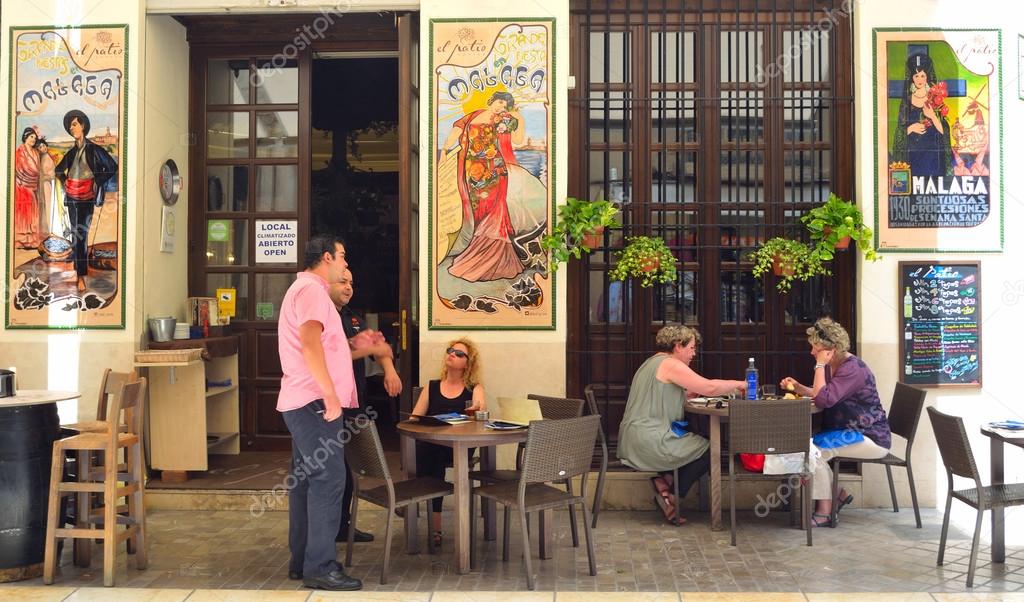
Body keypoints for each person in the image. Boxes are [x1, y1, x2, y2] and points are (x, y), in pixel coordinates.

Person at [277, 235, 375, 591]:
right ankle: (319, 566)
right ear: (328, 257)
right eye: (343, 258)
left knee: (306, 480)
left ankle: (302, 561)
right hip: (313, 402)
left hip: (304, 400)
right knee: (329, 479)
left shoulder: (304, 290)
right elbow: (309, 342)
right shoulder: (313, 291)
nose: (346, 265)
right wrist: (330, 393)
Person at [617, 324, 746, 525]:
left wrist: (684, 394)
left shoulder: (650, 363)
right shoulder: (671, 364)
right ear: (678, 346)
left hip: (634, 436)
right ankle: (673, 498)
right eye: (692, 348)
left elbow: (659, 394)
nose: (693, 353)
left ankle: (665, 482)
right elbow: (709, 387)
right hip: (651, 439)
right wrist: (740, 385)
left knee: (690, 438)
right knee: (709, 449)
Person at [780, 317, 892, 528]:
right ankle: (837, 494)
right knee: (811, 447)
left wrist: (819, 365)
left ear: (829, 349)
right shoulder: (837, 364)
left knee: (817, 451)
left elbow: (824, 399)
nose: (812, 353)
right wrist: (800, 387)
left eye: (815, 349)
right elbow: (824, 394)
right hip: (853, 432)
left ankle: (824, 512)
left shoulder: (852, 369)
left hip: (870, 437)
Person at [328, 268, 402, 544]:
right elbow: (334, 354)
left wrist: (389, 370)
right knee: (333, 469)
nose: (348, 287)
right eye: (342, 282)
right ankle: (328, 529)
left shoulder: (353, 317)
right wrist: (367, 348)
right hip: (326, 405)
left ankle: (342, 526)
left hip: (354, 402)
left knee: (347, 468)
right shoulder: (322, 317)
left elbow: (379, 344)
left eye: (351, 283)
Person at [439, 91, 525, 282]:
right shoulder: (473, 115)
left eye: (505, 106)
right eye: (500, 102)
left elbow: (518, 140)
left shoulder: (502, 119)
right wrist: (444, 150)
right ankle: (477, 253)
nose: (501, 107)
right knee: (478, 212)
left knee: (495, 210)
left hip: (495, 171)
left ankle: (495, 259)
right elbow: (457, 131)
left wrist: (517, 116)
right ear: (492, 100)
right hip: (473, 171)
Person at [409, 339, 485, 546]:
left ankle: (412, 500)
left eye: (459, 354)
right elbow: (415, 417)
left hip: (459, 446)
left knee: (426, 456)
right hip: (434, 444)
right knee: (427, 454)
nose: (452, 354)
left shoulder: (473, 388)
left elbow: (480, 413)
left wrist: (476, 409)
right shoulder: (432, 386)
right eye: (450, 351)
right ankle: (435, 525)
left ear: (468, 363)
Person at [54, 110, 118, 292]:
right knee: (76, 234)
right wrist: (65, 181)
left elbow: (112, 167)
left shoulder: (94, 149)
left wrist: (97, 181)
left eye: (74, 124)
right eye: (70, 126)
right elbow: (58, 170)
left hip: (87, 196)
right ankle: (79, 271)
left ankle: (80, 275)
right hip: (72, 196)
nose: (71, 128)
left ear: (82, 125)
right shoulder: (72, 151)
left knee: (81, 235)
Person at [892, 53, 952, 178]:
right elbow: (899, 131)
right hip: (913, 157)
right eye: (916, 75)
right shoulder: (907, 102)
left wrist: (932, 116)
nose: (919, 79)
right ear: (912, 78)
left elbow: (944, 131)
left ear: (927, 77)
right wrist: (910, 128)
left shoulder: (935, 98)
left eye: (923, 75)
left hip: (933, 158)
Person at [14, 127, 41, 249]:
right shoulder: (19, 151)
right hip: (22, 187)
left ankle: (31, 241)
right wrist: (31, 176)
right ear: (25, 137)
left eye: (35, 138)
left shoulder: (36, 153)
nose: (33, 140)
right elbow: (20, 169)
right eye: (31, 137)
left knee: (32, 214)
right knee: (23, 215)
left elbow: (38, 171)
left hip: (33, 187)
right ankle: (20, 241)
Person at [36, 137, 59, 241]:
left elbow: (52, 171)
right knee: (47, 207)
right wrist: (49, 176)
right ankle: (47, 231)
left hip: (51, 184)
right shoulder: (41, 159)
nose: (43, 148)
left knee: (51, 206)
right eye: (40, 147)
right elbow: (43, 173)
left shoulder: (48, 156)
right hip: (46, 185)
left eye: (44, 145)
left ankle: (52, 230)